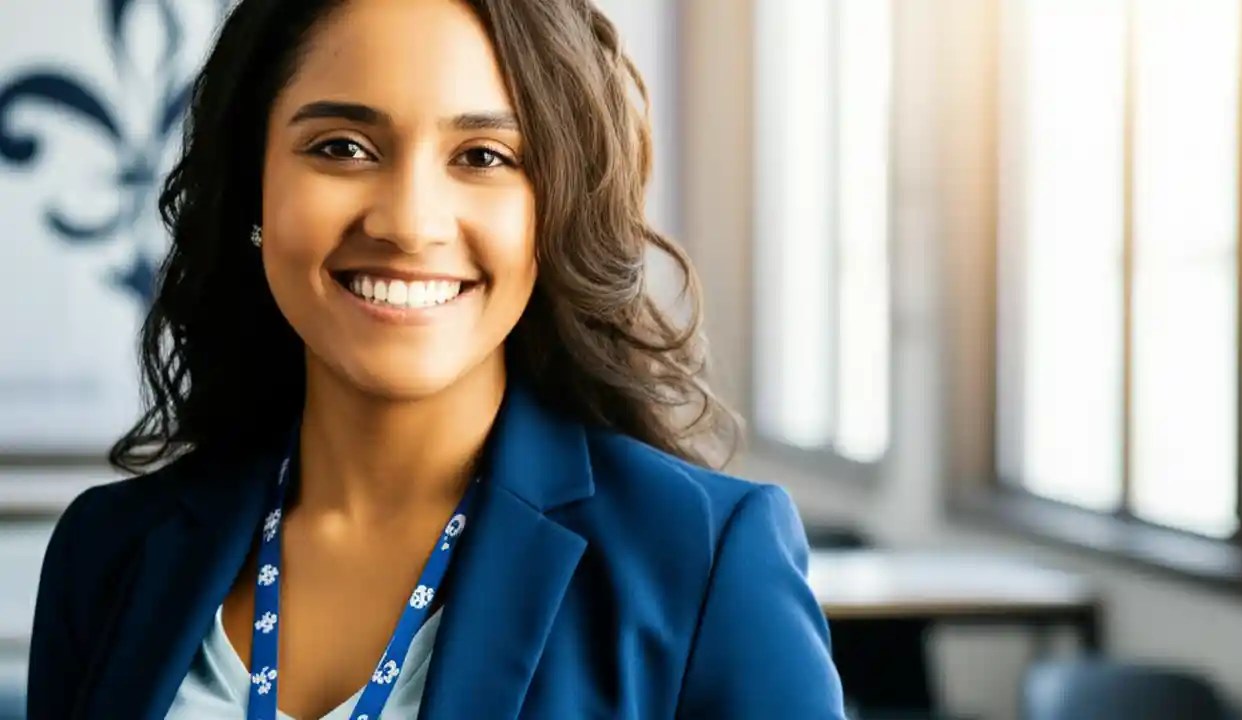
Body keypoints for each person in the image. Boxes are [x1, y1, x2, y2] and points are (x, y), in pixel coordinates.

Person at [26, 0, 847, 717]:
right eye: (343, 147)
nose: (410, 223)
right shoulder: (110, 553)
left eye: (484, 157)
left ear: (552, 210)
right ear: (253, 189)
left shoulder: (702, 561)